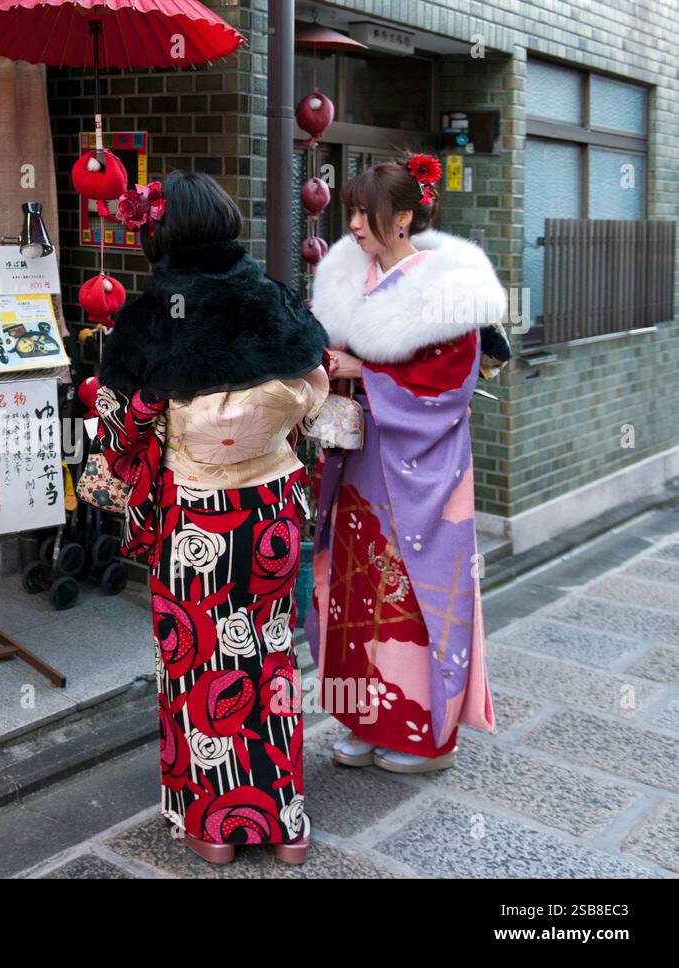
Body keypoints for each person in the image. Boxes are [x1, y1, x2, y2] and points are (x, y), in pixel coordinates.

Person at [95, 170, 330, 865]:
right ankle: (286, 822)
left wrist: (160, 415)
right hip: (272, 512)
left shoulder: (146, 319)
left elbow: (120, 434)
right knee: (270, 656)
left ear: (158, 235)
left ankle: (216, 826)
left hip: (199, 518)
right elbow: (312, 393)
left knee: (201, 665)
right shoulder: (276, 298)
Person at [304, 155, 502, 774]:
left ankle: (426, 736)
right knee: (357, 588)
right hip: (362, 459)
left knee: (415, 596)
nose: (356, 226)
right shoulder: (349, 279)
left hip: (423, 461)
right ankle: (365, 718)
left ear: (406, 216)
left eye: (368, 214)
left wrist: (366, 372)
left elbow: (450, 386)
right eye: (353, 213)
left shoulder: (444, 289)